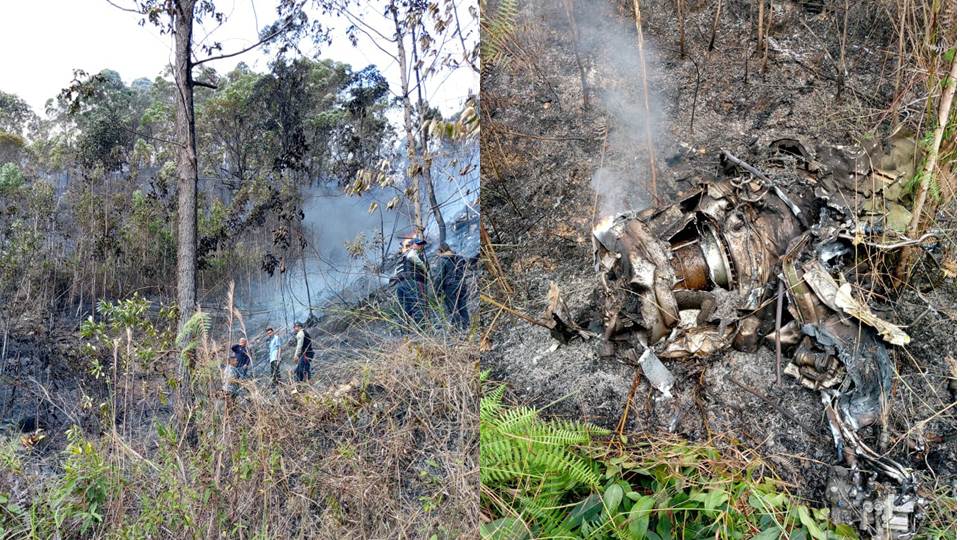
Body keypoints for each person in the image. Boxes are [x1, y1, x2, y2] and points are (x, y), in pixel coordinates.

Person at [390, 236, 429, 328]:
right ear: (412, 245)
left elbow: (395, 274)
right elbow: (412, 256)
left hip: (400, 285)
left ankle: (407, 334)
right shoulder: (412, 253)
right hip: (412, 282)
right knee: (419, 306)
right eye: (418, 244)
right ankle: (423, 332)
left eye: (421, 244)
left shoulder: (401, 259)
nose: (421, 246)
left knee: (405, 310)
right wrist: (424, 268)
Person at [432, 242, 470, 330]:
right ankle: (466, 328)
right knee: (462, 307)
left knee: (452, 308)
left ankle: (457, 330)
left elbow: (439, 277)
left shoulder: (443, 260)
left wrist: (436, 290)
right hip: (462, 285)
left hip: (450, 287)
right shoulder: (459, 258)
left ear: (441, 251)